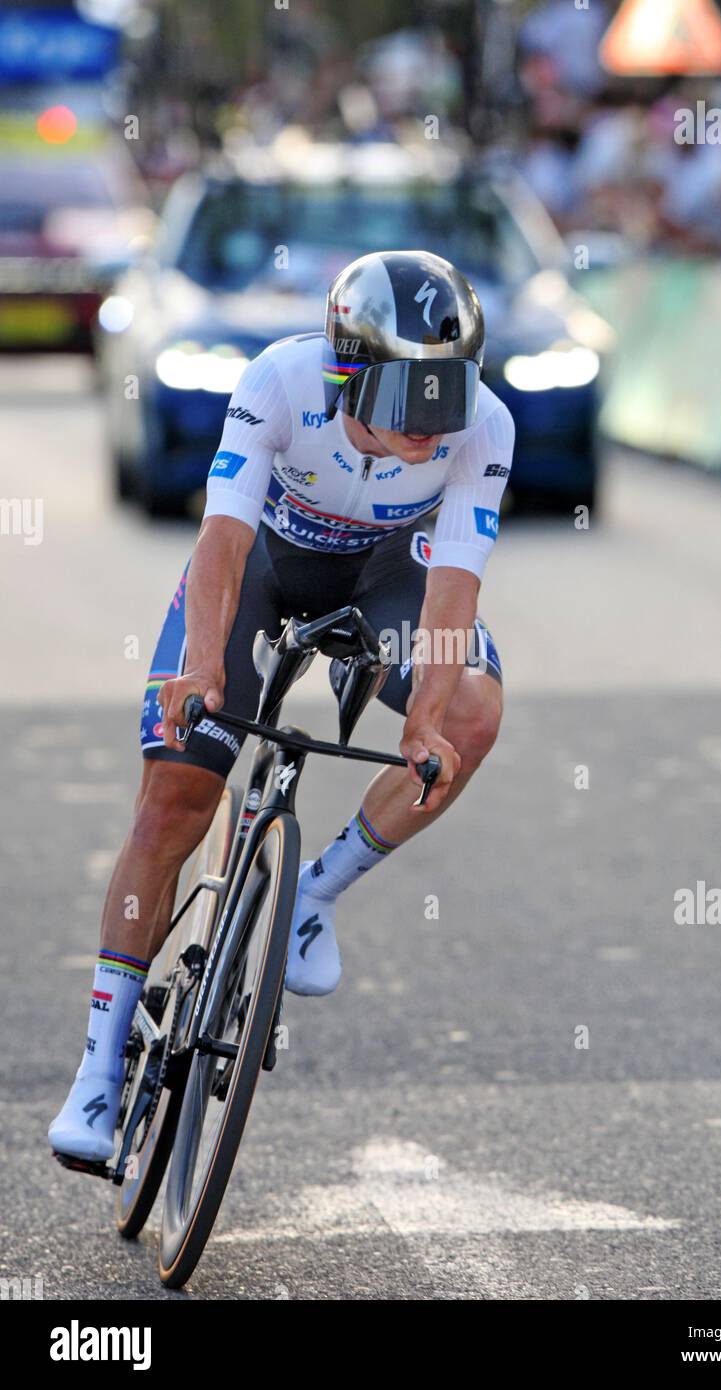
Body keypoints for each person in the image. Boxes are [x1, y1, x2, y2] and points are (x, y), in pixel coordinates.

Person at [49, 249, 515, 1163]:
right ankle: (100, 1068)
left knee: (471, 712)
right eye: (406, 403)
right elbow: (222, 539)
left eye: (446, 397)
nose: (430, 429)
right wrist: (201, 673)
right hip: (263, 564)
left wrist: (423, 718)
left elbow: (455, 585)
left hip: (387, 575)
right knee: (177, 795)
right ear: (347, 376)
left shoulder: (484, 427)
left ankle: (312, 895)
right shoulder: (280, 379)